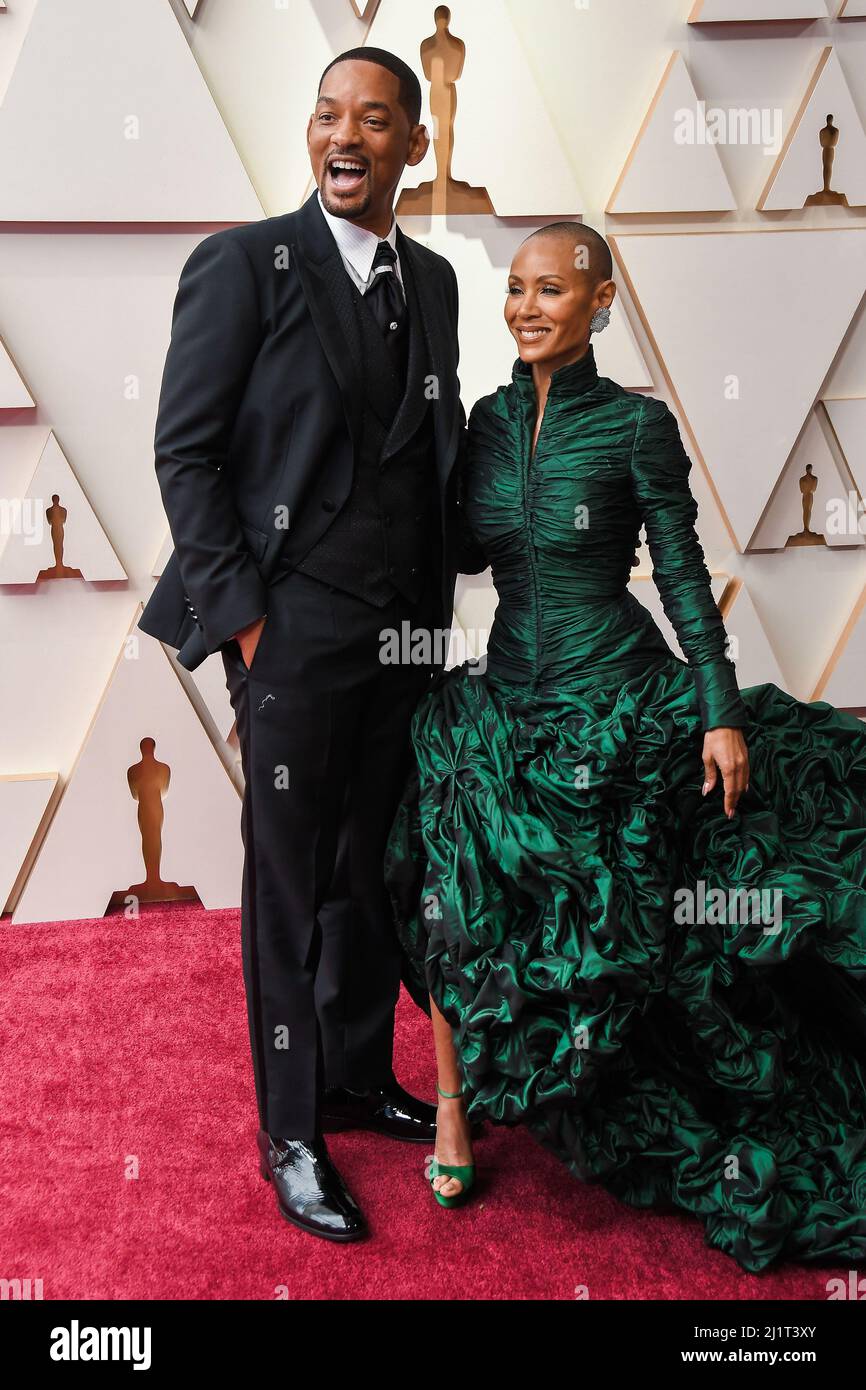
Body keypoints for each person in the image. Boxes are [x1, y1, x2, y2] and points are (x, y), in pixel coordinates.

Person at [386, 222, 866, 1270]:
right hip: (506, 699)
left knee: (675, 916)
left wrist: (720, 709)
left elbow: (684, 577)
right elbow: (463, 546)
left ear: (599, 304)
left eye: (549, 290)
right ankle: (453, 1112)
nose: (523, 307)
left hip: (619, 701)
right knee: (445, 867)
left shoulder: (637, 428)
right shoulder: (483, 421)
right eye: (512, 288)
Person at [140, 48, 471, 1243]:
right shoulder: (243, 264)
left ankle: (347, 1071)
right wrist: (246, 618)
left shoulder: (431, 279)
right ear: (309, 135)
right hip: (290, 625)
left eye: (374, 120)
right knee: (286, 885)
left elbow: (427, 460)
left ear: (412, 148)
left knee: (370, 870)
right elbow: (186, 452)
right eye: (327, 114)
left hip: (402, 633)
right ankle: (290, 1129)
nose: (346, 135)